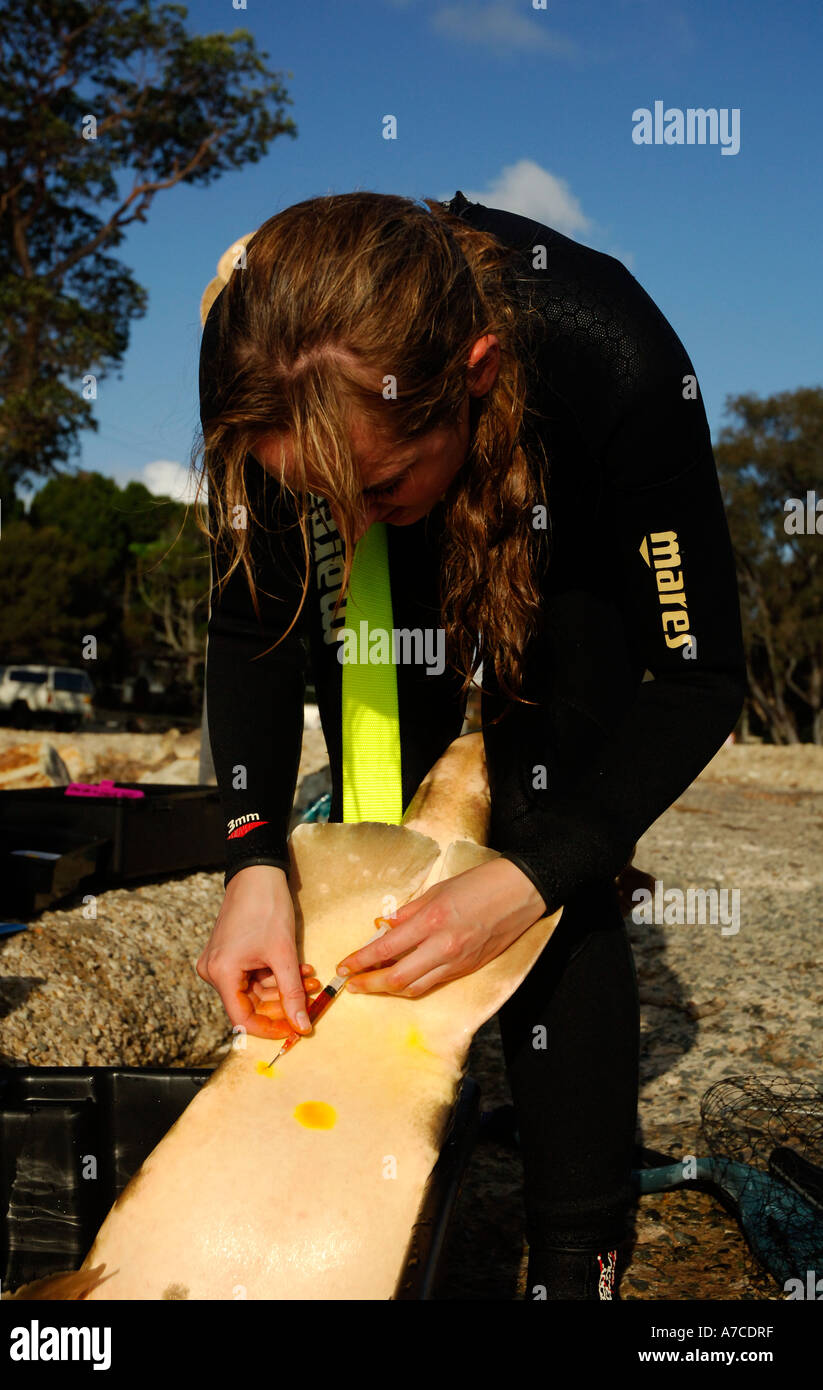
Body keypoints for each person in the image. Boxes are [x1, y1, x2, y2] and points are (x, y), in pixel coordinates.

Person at [193, 190, 748, 1300]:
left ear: (477, 367)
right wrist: (252, 857)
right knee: (380, 838)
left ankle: (570, 1253)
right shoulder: (257, 352)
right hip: (402, 467)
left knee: (555, 829)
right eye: (319, 499)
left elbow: (697, 677)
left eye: (372, 491)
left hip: (568, 522)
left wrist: (530, 877)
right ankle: (383, 1184)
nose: (345, 521)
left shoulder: (614, 358)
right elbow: (253, 625)